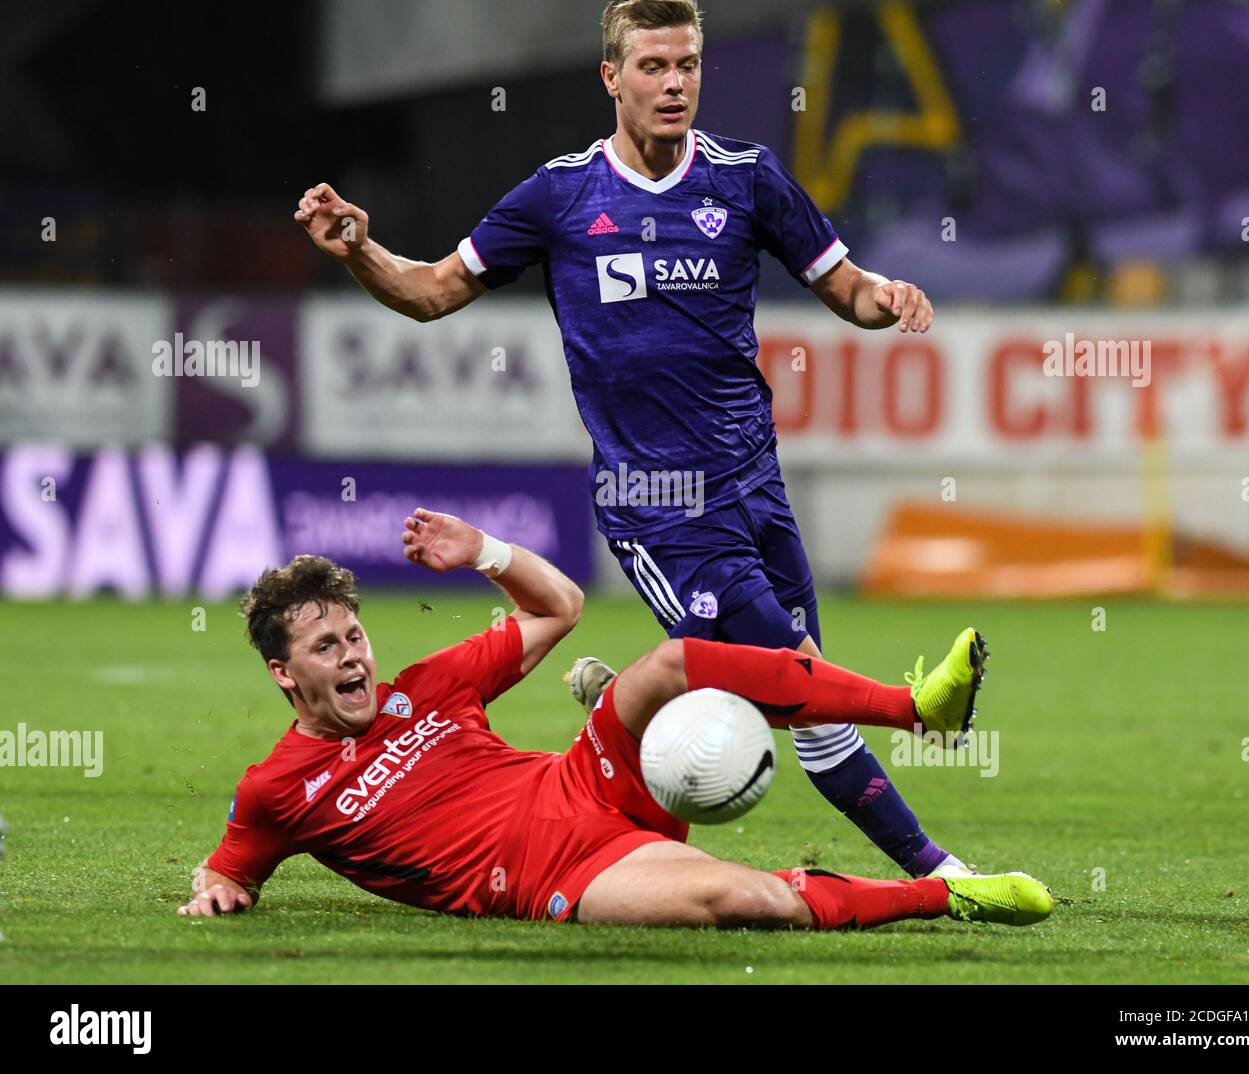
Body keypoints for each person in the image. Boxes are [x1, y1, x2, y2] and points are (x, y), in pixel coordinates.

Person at [293, 0, 981, 881]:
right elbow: (432, 290)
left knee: (791, 690)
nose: (674, 84)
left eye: (687, 64)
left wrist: (888, 297)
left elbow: (845, 286)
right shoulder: (559, 196)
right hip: (656, 502)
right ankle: (938, 856)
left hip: (754, 483)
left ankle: (631, 698)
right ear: (612, 77)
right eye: (653, 67)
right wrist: (359, 252)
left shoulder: (747, 178)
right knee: (798, 675)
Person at [178, 510, 1052, 930]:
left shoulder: (425, 687)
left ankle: (915, 709)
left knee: (669, 663)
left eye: (355, 634)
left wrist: (482, 552)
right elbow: (228, 873)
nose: (355, 657)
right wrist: (216, 889)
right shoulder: (275, 790)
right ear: (283, 675)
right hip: (558, 874)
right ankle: (949, 894)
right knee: (741, 899)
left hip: (584, 781)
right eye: (327, 649)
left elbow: (558, 607)